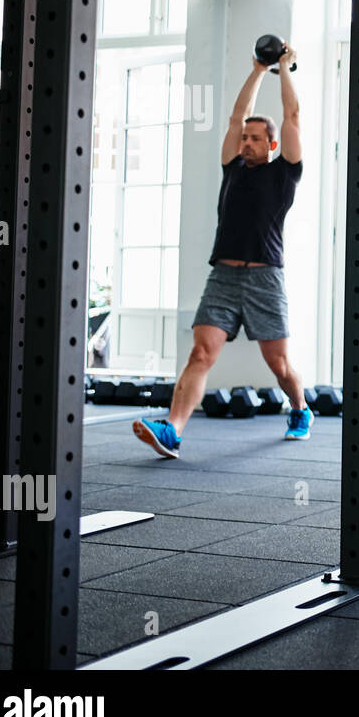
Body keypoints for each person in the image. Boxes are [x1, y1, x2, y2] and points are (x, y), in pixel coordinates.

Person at [134, 44, 310, 458]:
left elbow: (292, 117)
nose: (246, 142)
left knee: (279, 365)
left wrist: (283, 69)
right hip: (224, 276)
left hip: (266, 275)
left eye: (254, 138)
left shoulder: (285, 173)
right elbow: (235, 115)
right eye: (244, 138)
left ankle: (300, 408)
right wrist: (258, 69)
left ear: (271, 144)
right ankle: (174, 430)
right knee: (200, 352)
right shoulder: (232, 167)